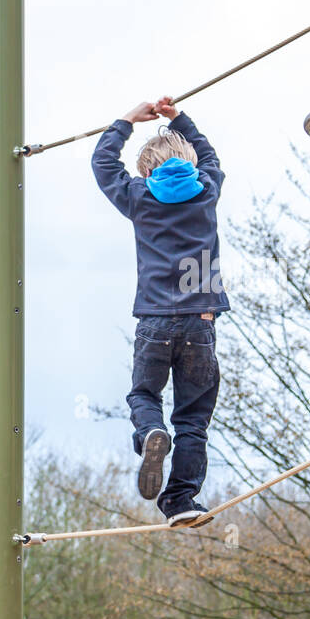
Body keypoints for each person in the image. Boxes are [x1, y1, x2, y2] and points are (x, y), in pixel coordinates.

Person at [90, 96, 229, 526]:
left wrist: (127, 119)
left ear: (146, 172)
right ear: (190, 162)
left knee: (144, 394)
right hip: (200, 323)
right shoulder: (206, 189)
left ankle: (150, 432)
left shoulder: (139, 196)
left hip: (155, 320)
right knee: (193, 418)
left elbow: (102, 163)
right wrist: (178, 119)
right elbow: (210, 155)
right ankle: (182, 499)